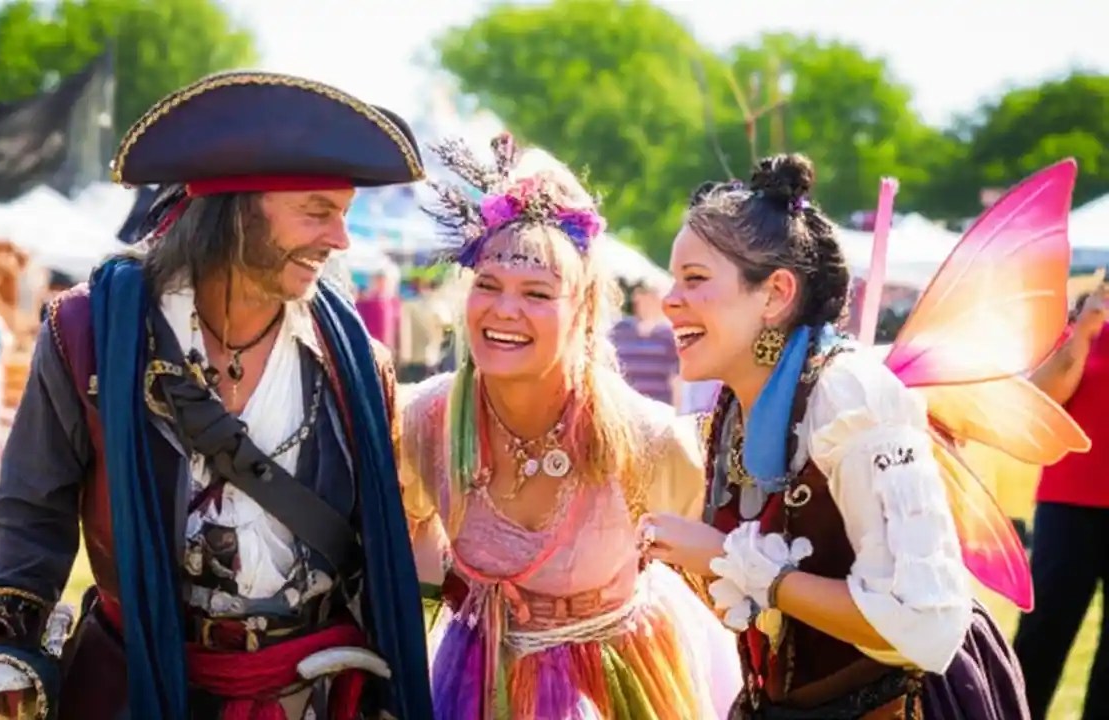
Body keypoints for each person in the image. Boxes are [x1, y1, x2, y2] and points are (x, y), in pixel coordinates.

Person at [0, 71, 434, 720]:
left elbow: (375, 543)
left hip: (312, 690)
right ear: (236, 211)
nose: (341, 239)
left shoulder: (356, 361)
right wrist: (9, 648)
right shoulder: (92, 334)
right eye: (318, 210)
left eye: (344, 214)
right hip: (140, 679)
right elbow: (35, 507)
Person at [643, 154, 1084, 718]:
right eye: (674, 278)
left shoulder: (850, 395)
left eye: (695, 279)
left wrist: (734, 561)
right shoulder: (734, 403)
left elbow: (923, 624)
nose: (669, 299)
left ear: (776, 293)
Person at [403, 134, 740, 719]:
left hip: (617, 687)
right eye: (488, 285)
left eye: (537, 293)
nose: (505, 310)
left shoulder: (647, 439)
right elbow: (400, 535)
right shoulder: (425, 421)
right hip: (473, 684)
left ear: (583, 312)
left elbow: (729, 575)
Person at [1014, 286, 1109, 720]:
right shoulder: (1083, 323)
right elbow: (1041, 399)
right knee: (1043, 632)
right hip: (1070, 503)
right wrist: (1083, 336)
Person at [610, 280, 681, 407]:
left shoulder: (671, 335)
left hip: (659, 411)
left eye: (654, 297)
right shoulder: (619, 330)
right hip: (625, 408)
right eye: (643, 296)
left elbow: (677, 381)